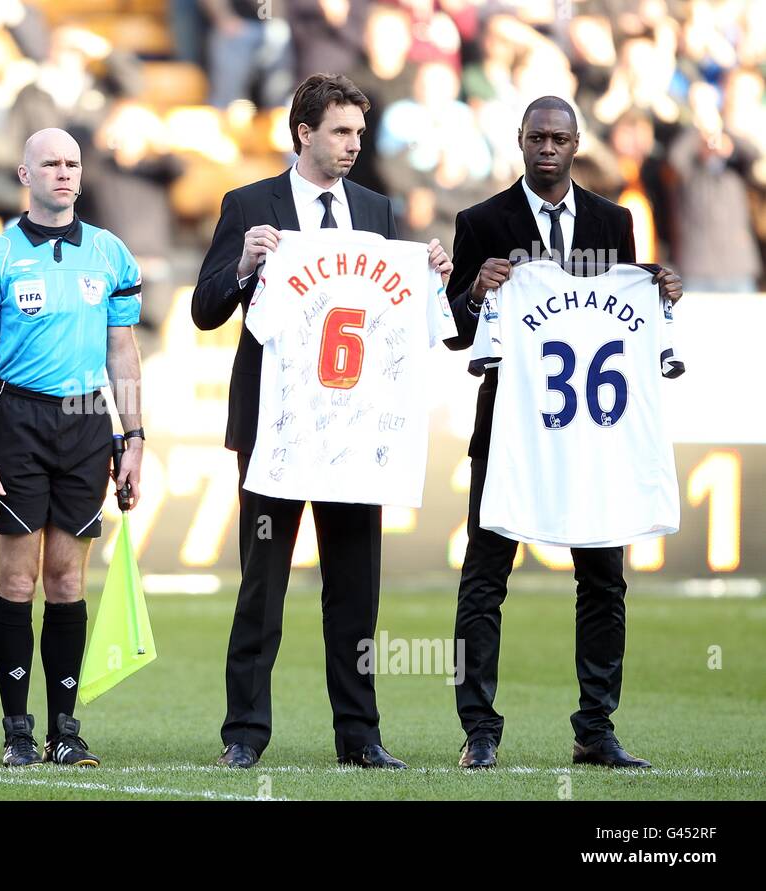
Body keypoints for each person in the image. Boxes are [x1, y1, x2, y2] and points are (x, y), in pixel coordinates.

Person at [192, 73, 452, 770]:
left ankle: (359, 736)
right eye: (340, 131)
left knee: (355, 591)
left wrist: (431, 270)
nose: (352, 146)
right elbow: (205, 309)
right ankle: (244, 733)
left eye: (359, 134)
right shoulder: (248, 203)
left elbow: (392, 315)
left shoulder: (376, 208)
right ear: (302, 131)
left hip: (356, 432)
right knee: (262, 589)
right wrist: (243, 265)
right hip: (276, 430)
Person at [444, 96, 683, 770]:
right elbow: (457, 333)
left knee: (604, 578)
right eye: (535, 137)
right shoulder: (482, 220)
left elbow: (626, 319)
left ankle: (595, 729)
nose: (547, 148)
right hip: (509, 432)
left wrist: (660, 288)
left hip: (596, 436)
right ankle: (480, 729)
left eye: (558, 137)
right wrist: (473, 293)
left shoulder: (615, 221)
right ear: (518, 140)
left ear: (577, 142)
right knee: (485, 579)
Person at [0, 128, 144, 768]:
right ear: (24, 174)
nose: (63, 173)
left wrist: (134, 435)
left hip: (88, 419)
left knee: (66, 579)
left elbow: (123, 351)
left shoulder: (112, 254)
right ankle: (17, 731)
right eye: (50, 164)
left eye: (72, 163)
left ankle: (66, 730)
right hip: (17, 418)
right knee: (17, 576)